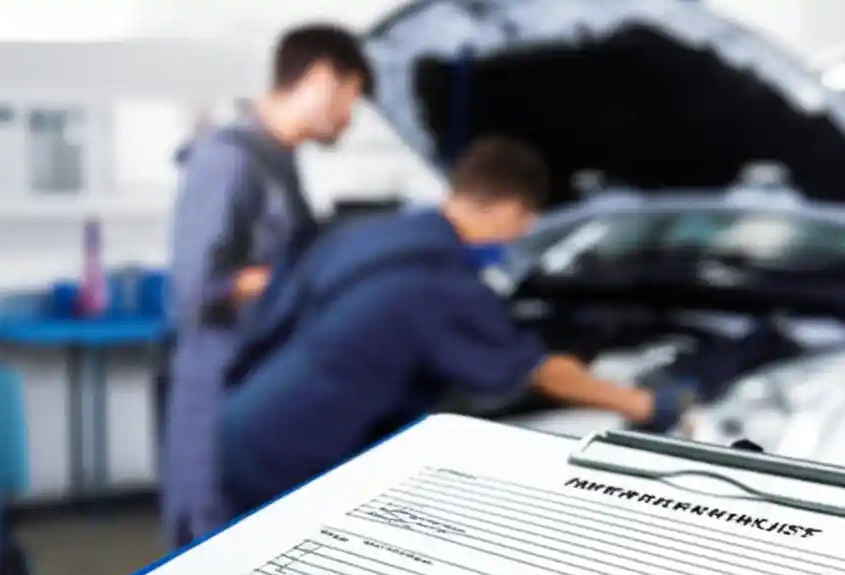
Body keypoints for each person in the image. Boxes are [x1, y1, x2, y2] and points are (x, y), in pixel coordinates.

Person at [219, 137, 693, 521]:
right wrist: (648, 403)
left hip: (244, 422)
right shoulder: (440, 280)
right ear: (510, 206)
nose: (525, 230)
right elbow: (540, 373)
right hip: (294, 457)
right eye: (527, 217)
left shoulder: (371, 233)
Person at [162, 24, 373, 546]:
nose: (349, 119)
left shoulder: (279, 162)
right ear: (323, 79)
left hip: (261, 389)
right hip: (218, 393)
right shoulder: (228, 157)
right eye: (352, 99)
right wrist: (307, 278)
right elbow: (195, 288)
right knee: (210, 558)